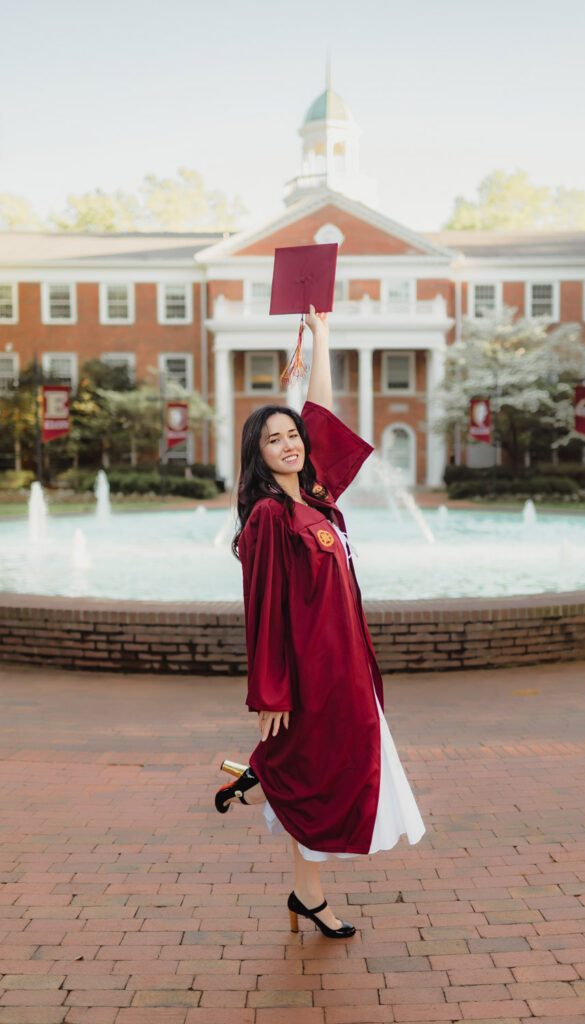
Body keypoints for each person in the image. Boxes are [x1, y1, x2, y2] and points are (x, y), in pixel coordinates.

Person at [216, 305, 426, 939]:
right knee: (322, 778)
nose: (290, 444)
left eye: (292, 436)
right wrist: (270, 694)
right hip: (309, 675)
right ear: (258, 455)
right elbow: (266, 613)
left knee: (335, 772)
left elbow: (323, 419)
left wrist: (326, 338)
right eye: (274, 439)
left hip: (347, 665)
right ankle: (265, 776)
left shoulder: (316, 495)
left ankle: (296, 865)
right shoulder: (269, 519)